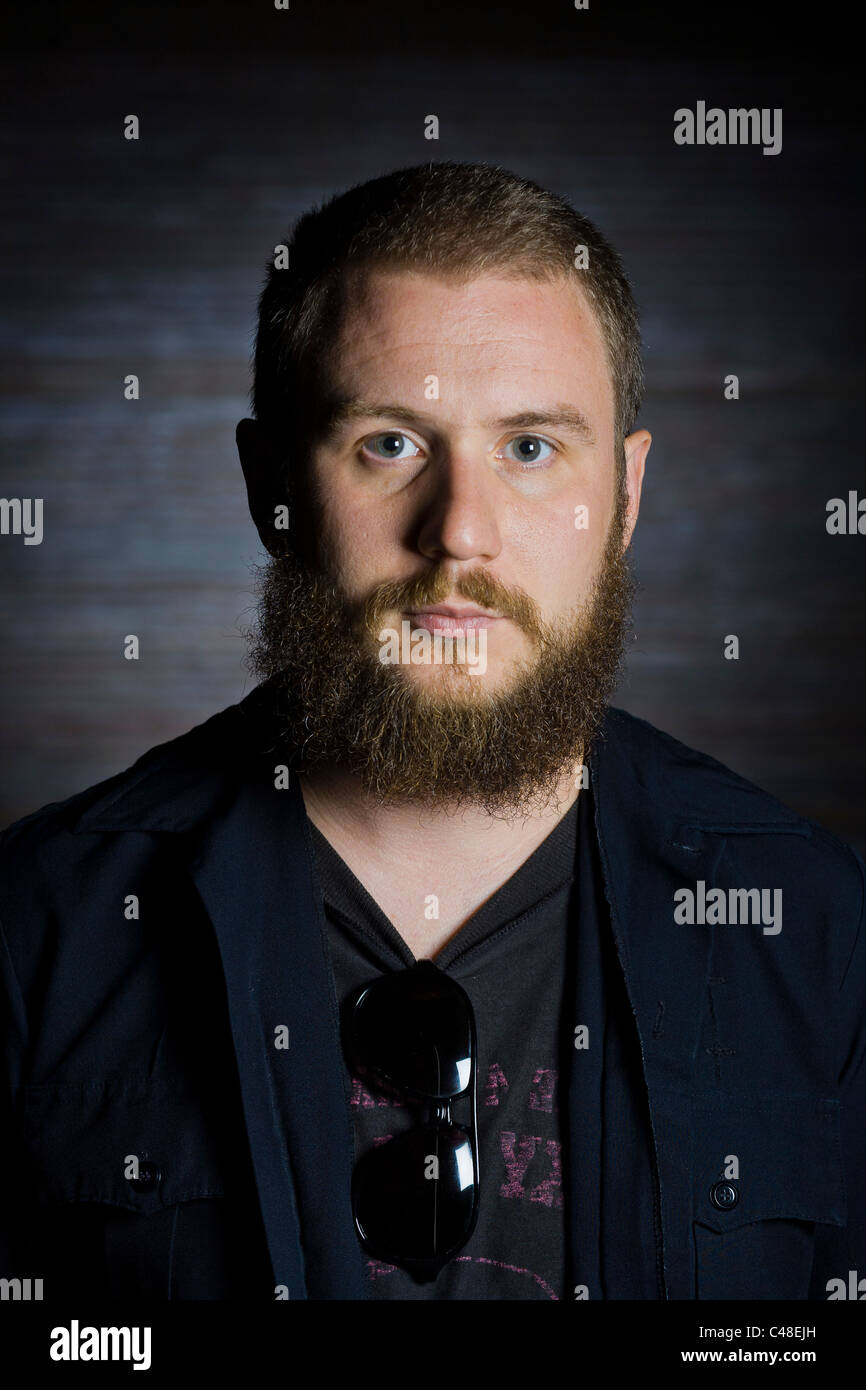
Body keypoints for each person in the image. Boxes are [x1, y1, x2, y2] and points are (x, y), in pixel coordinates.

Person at [1, 161, 863, 1302]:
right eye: (391, 443)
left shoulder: (815, 931)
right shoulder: (40, 928)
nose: (458, 530)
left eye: (528, 447)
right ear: (271, 489)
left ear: (626, 496)